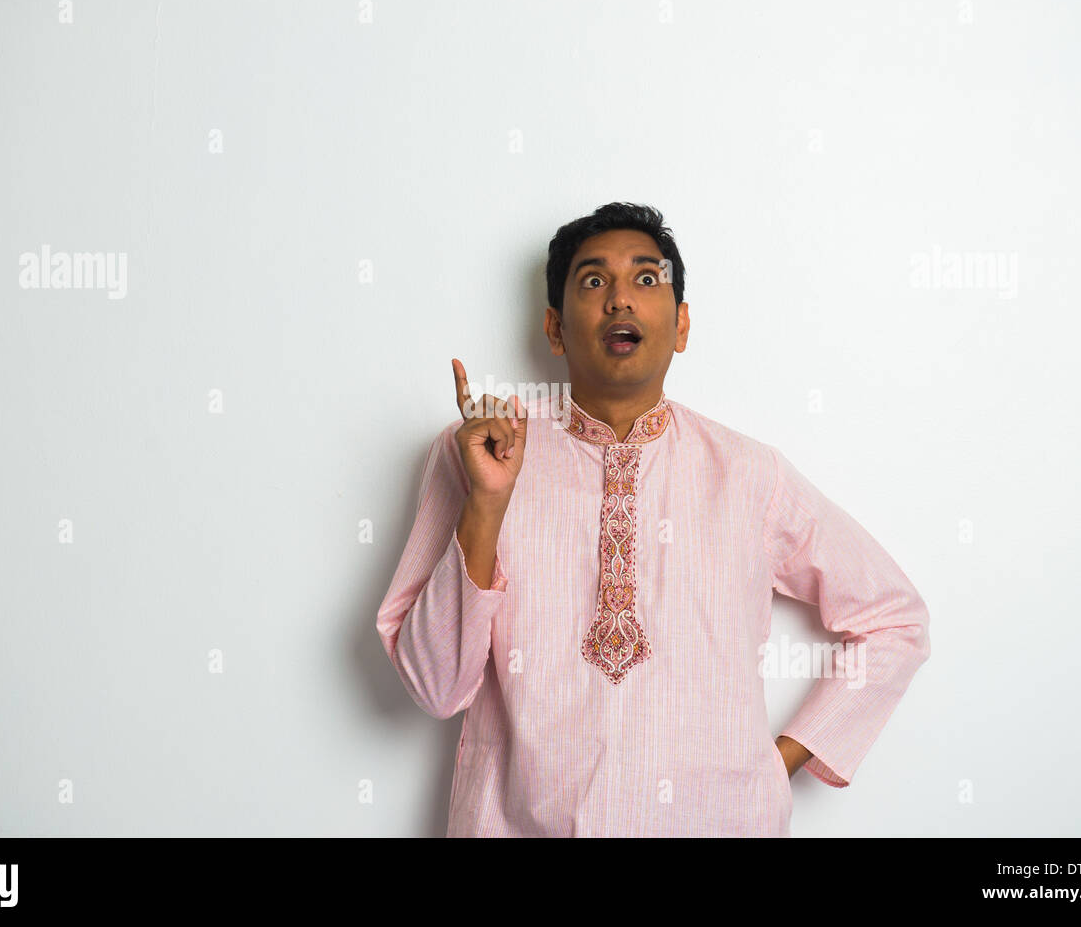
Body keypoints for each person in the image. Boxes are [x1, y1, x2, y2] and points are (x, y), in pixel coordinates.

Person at [374, 202, 931, 836]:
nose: (620, 301)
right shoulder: (480, 448)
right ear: (554, 329)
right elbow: (435, 688)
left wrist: (778, 764)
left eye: (647, 279)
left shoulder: (749, 474)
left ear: (682, 323)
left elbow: (895, 618)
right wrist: (488, 502)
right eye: (593, 281)